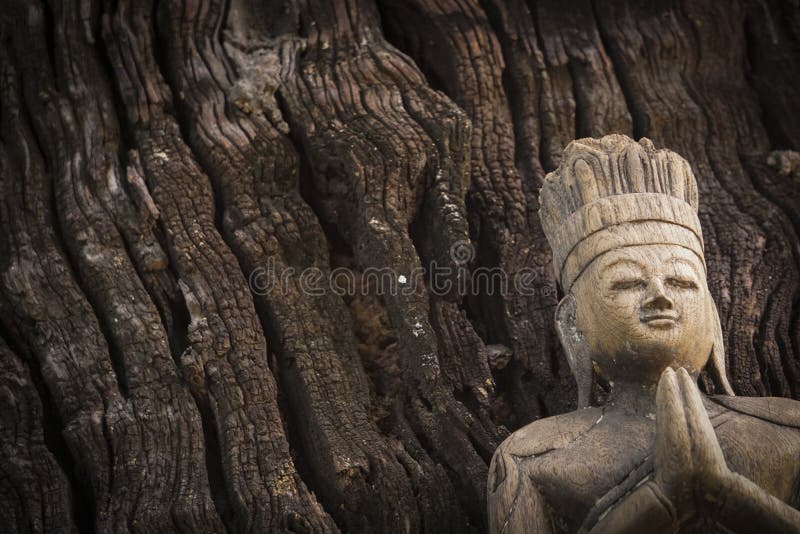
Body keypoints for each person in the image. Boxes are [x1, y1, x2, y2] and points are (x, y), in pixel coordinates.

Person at [487, 135, 800, 533]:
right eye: (627, 283)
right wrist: (661, 500)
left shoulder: (787, 430)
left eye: (682, 282)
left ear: (712, 313)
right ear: (573, 325)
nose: (660, 297)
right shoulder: (534, 459)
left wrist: (728, 494)